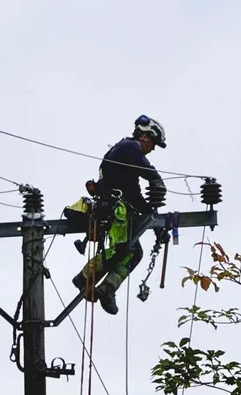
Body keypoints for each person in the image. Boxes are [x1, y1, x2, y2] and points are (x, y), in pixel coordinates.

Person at [70, 115, 170, 315]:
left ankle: (107, 289)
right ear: (144, 136)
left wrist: (158, 226)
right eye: (153, 143)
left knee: (134, 253)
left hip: (123, 209)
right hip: (115, 210)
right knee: (122, 249)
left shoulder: (128, 166)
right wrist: (156, 179)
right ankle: (84, 276)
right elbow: (146, 168)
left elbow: (137, 198)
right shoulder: (128, 147)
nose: (152, 149)